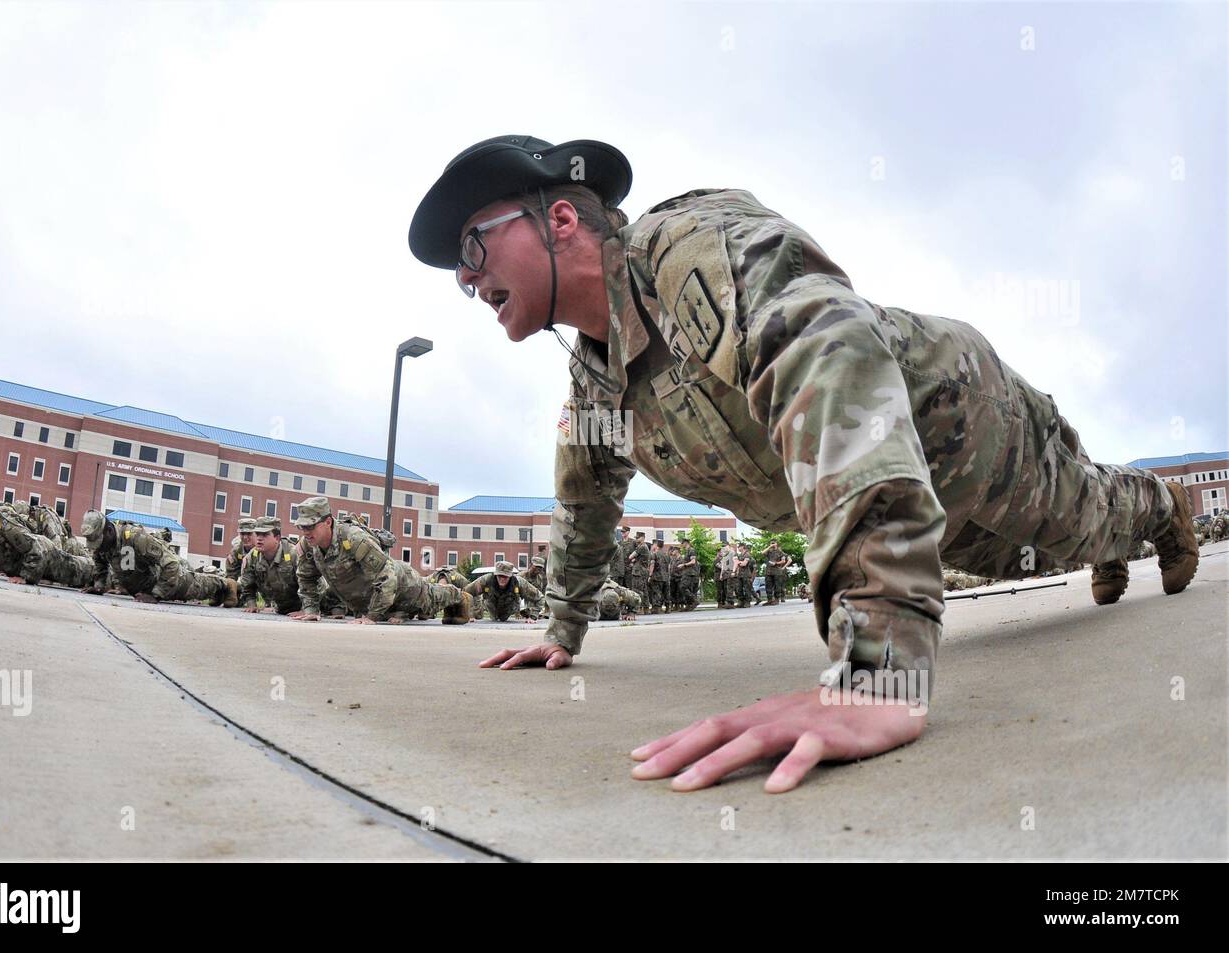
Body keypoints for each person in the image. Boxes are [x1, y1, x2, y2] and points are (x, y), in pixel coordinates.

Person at [409, 134, 1199, 793]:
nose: (469, 277)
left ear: (559, 218)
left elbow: (827, 356)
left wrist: (878, 667)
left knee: (1082, 511)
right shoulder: (594, 384)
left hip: (961, 424)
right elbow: (584, 505)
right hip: (906, 498)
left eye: (475, 246)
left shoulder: (685, 253)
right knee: (1032, 553)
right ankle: (1106, 549)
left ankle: (1161, 509)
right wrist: (562, 627)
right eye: (458, 271)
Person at [293, 497, 471, 624]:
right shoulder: (309, 545)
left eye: (311, 526)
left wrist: (372, 617)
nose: (306, 532)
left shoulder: (354, 538)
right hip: (375, 599)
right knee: (403, 615)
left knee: (432, 598)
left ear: (328, 522)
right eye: (302, 527)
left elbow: (386, 575)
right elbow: (306, 578)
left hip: (405, 587)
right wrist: (311, 610)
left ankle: (460, 595)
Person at [81, 510, 235, 606]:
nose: (98, 547)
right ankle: (219, 592)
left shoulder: (135, 537)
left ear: (108, 531)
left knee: (200, 586)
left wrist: (156, 595)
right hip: (143, 588)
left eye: (99, 542)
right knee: (204, 589)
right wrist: (99, 585)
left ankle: (228, 584)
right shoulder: (103, 544)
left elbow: (171, 564)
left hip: (174, 583)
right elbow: (100, 562)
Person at [0, 483, 93, 587]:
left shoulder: (5, 524)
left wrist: (26, 577)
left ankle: (106, 574)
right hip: (36, 564)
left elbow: (36, 547)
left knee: (80, 572)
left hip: (47, 558)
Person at [466, 561, 544, 622]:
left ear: (510, 576)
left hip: (510, 610)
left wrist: (533, 617)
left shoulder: (519, 582)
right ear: (496, 574)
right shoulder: (485, 580)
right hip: (492, 609)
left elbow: (540, 598)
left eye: (505, 576)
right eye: (500, 576)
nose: (502, 579)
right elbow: (466, 593)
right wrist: (469, 614)